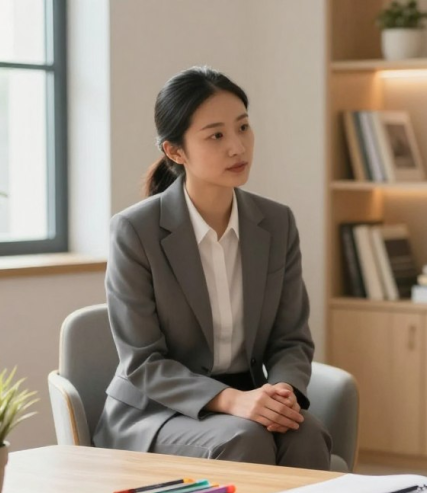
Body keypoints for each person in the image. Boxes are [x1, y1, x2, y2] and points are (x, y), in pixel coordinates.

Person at [94, 66, 331, 470]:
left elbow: (291, 338)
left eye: (243, 128)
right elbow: (142, 363)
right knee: (243, 438)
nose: (238, 147)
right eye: (216, 135)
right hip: (156, 411)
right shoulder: (135, 231)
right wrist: (233, 401)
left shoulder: (276, 223)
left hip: (247, 400)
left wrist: (283, 391)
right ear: (175, 151)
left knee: (306, 434)